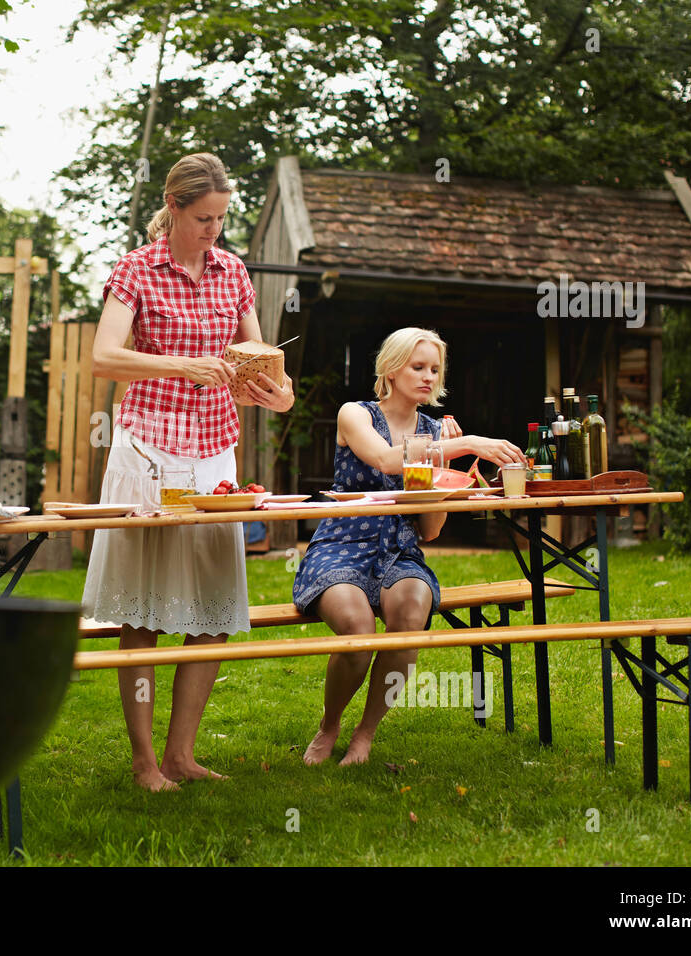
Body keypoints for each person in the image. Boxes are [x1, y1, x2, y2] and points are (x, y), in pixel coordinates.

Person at [84, 153, 295, 791]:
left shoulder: (233, 273)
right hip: (149, 451)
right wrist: (184, 365)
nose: (214, 231)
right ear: (174, 209)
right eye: (204, 218)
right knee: (144, 614)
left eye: (221, 219)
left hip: (214, 455)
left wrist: (273, 390)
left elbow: (259, 362)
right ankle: (145, 761)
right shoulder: (137, 269)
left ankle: (182, 755)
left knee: (212, 608)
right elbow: (102, 357)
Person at [291, 328, 526, 766]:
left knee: (412, 613)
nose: (427, 377)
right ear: (392, 369)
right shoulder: (355, 414)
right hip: (343, 543)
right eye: (418, 367)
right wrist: (468, 443)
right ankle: (330, 725)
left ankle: (365, 735)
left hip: (399, 549)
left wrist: (444, 469)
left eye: (434, 370)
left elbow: (431, 528)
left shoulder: (435, 431)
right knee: (357, 628)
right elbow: (383, 458)